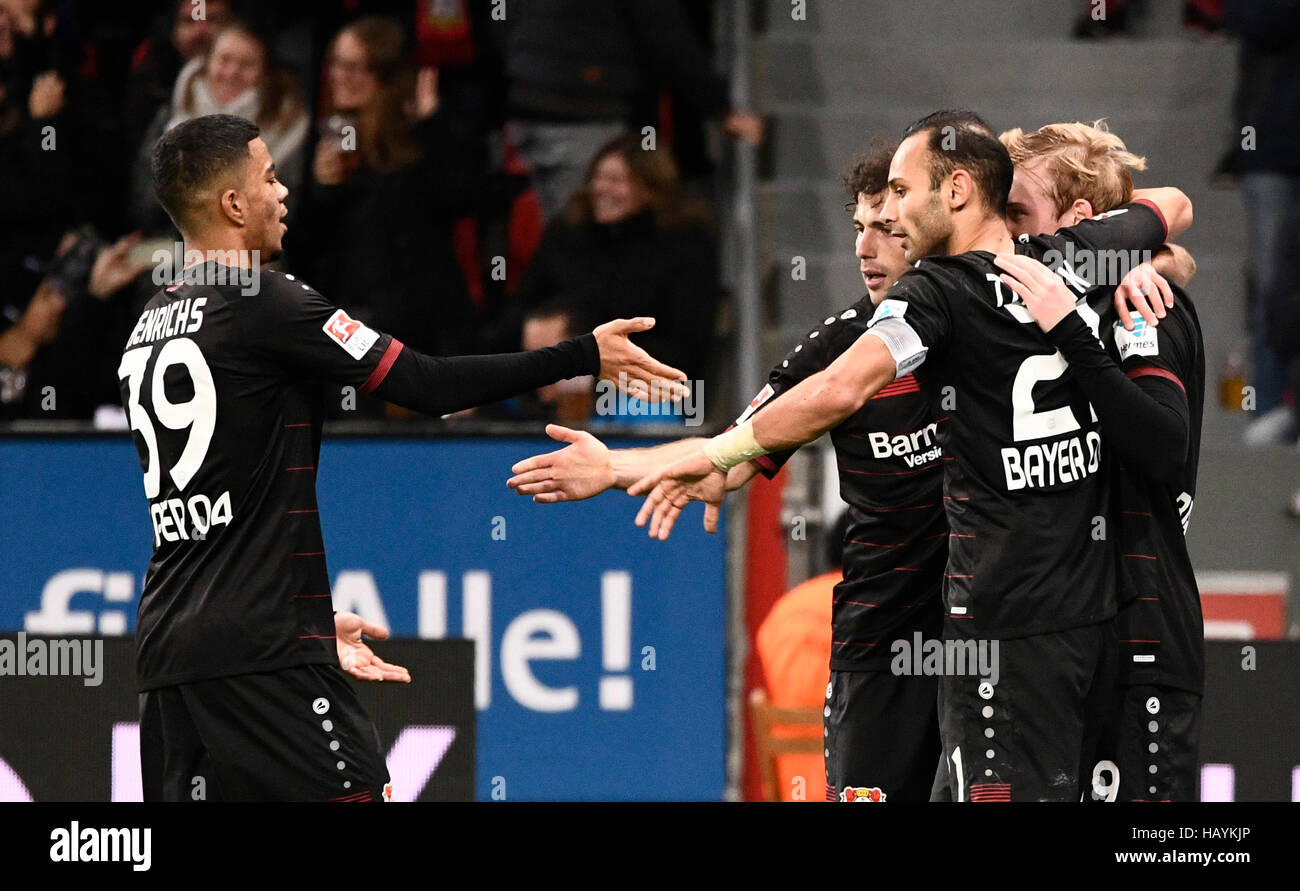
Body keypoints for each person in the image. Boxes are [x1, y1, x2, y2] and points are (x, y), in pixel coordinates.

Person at [632, 110, 1193, 802]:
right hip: (1089, 624)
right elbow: (1173, 204)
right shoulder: (1068, 256)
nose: (892, 214)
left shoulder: (934, 292)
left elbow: (840, 387)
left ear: (955, 191)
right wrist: (1154, 258)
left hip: (999, 628)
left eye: (901, 192)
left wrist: (726, 449)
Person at [122, 113, 686, 801]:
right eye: (269, 178)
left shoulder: (148, 321)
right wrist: (582, 353)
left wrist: (302, 622)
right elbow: (426, 384)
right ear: (233, 205)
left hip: (168, 650)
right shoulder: (267, 301)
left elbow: (218, 500)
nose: (285, 194)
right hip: (261, 652)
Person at [509, 145, 945, 801]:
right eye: (857, 228)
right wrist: (617, 462)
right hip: (881, 643)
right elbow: (729, 455)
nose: (864, 248)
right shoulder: (834, 347)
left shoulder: (989, 321)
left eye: (886, 228)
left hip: (987, 632)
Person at [1000, 122, 1207, 802]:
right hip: (1065, 648)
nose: (1007, 234)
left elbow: (1161, 445)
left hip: (1142, 640)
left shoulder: (1139, 305)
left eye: (1018, 213)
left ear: (1084, 220)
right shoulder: (1043, 313)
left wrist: (1132, 271)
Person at [306, 16, 479, 363]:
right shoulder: (329, 139)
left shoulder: (418, 137)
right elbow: (307, 247)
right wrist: (323, 191)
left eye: (355, 68)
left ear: (385, 77)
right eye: (337, 64)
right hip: (352, 322)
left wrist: (433, 125)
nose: (341, 76)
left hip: (425, 322)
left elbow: (460, 197)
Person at [500, 0, 762, 221]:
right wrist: (721, 109)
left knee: (569, 236)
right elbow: (663, 32)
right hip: (584, 108)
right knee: (594, 243)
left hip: (530, 101)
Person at [509, 131, 719, 381]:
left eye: (616, 180)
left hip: (644, 387)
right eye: (597, 178)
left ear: (651, 188)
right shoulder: (568, 231)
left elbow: (687, 348)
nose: (600, 188)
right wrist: (531, 329)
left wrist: (583, 345)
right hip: (550, 378)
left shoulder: (685, 245)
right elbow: (517, 310)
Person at [130, 19, 309, 237]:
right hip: (172, 246)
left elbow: (289, 212)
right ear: (207, 63)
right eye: (224, 60)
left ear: (265, 73)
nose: (232, 73)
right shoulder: (174, 112)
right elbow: (144, 199)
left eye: (246, 65)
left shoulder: (287, 124)